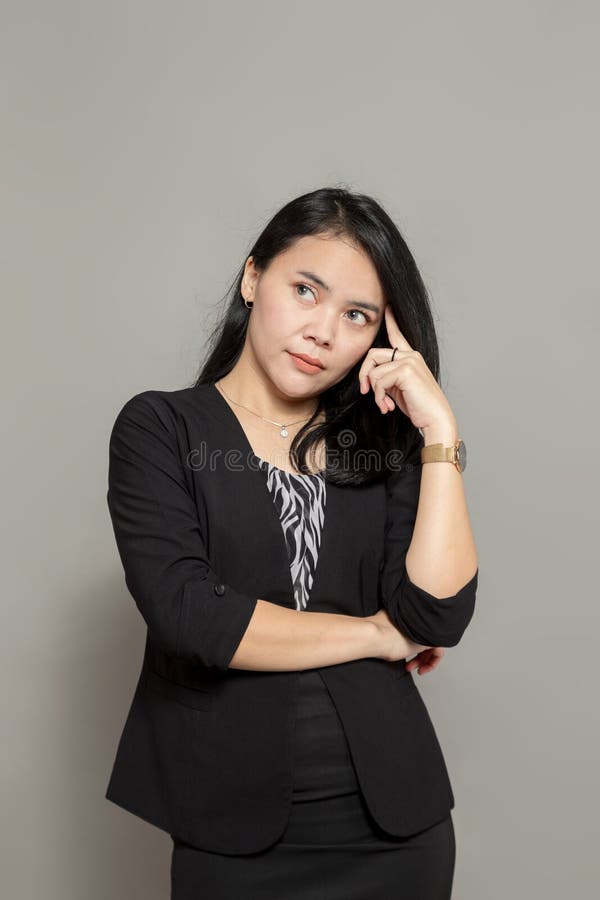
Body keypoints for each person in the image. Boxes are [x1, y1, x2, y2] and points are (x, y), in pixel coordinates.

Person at [105, 186, 479, 899]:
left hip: (397, 830)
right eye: (305, 290)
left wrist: (440, 435)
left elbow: (437, 618)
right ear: (253, 278)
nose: (323, 332)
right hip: (231, 825)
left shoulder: (379, 443)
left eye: (357, 315)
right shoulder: (162, 430)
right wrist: (374, 634)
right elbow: (196, 618)